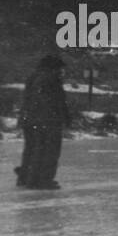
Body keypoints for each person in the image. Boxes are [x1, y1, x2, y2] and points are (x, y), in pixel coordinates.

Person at [15, 55, 70, 189]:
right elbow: (54, 101)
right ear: (53, 68)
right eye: (60, 69)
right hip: (46, 121)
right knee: (48, 151)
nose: (62, 72)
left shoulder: (34, 77)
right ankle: (41, 180)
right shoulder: (50, 79)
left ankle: (25, 177)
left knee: (32, 150)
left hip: (30, 120)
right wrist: (63, 118)